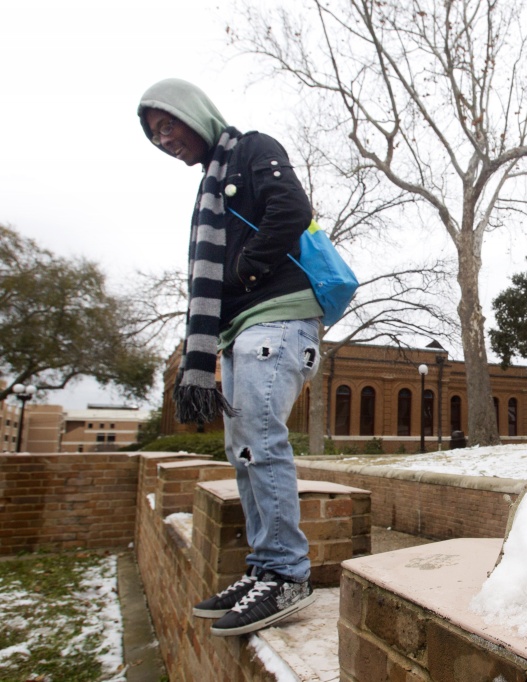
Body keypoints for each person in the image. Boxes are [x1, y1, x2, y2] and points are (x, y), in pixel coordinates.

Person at [138, 78, 322, 636]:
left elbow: (292, 210)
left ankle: (289, 573)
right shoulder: (208, 187)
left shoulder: (252, 149)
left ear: (193, 113)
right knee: (242, 447)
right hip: (241, 326)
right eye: (154, 135)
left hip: (281, 313)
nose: (164, 139)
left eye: (167, 124)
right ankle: (266, 565)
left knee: (261, 439)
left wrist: (243, 273)